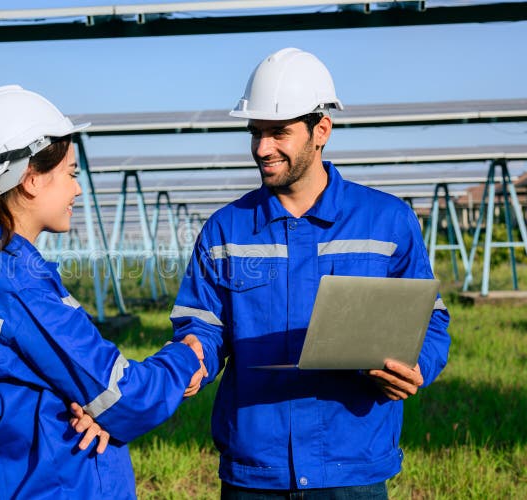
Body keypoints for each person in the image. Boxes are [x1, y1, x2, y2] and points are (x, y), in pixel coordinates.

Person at [169, 48, 451, 498]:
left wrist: (417, 366)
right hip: (255, 472)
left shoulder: (386, 221)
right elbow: (203, 325)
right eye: (255, 132)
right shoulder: (225, 230)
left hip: (351, 467)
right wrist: (191, 357)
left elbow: (429, 320)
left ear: (321, 130)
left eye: (278, 132)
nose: (262, 148)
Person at [0, 85, 206, 499]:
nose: (77, 189)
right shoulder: (16, 282)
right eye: (70, 173)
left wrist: (94, 404)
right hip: (57, 485)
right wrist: (186, 356)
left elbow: (81, 386)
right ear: (31, 179)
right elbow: (123, 396)